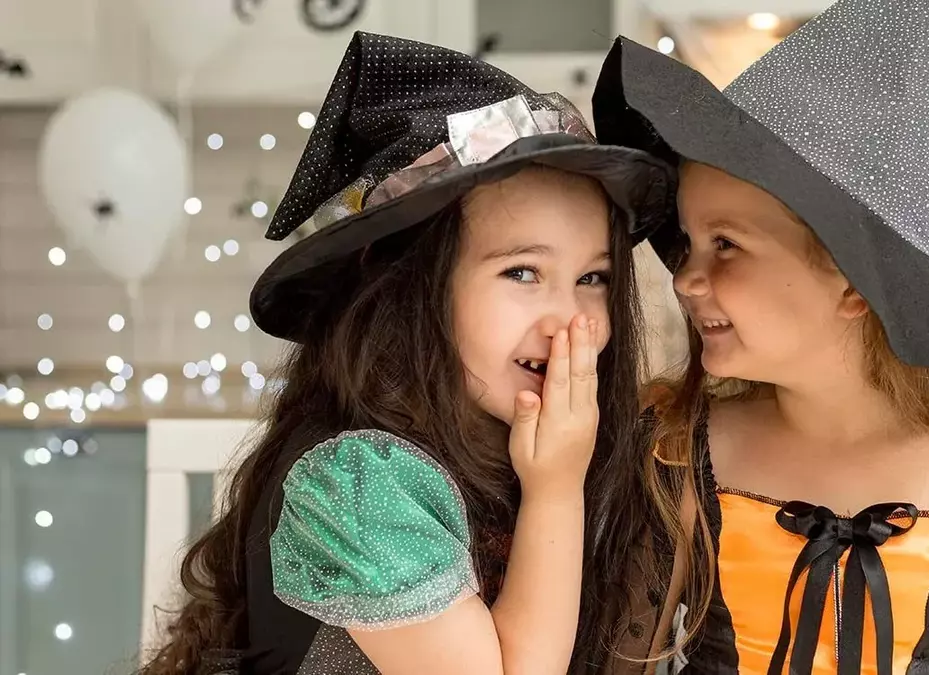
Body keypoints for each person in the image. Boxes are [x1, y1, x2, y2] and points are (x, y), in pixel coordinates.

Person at [137, 31, 676, 675]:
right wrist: (555, 489)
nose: (570, 321)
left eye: (593, 279)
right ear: (409, 289)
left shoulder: (513, 445)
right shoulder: (357, 480)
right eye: (523, 273)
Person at [592, 0, 929, 673]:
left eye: (726, 244)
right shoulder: (681, 451)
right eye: (692, 241)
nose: (686, 279)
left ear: (855, 283)